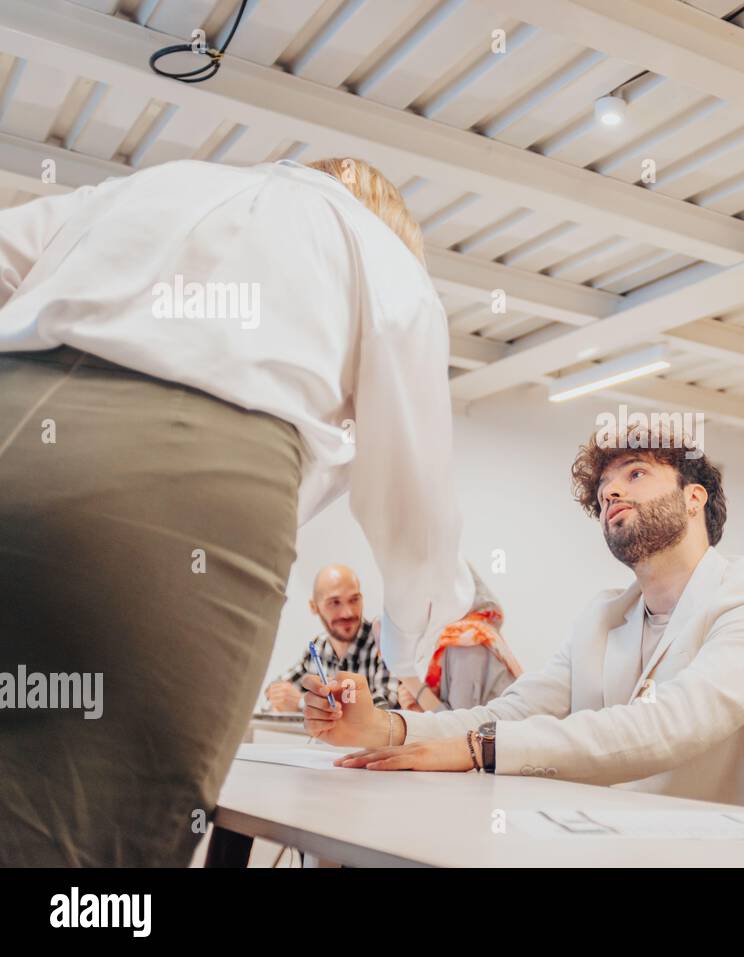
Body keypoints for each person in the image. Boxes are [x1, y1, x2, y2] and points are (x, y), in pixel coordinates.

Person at [0, 157, 472, 865]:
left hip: (15, 400)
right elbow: (414, 510)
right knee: (95, 848)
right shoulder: (379, 254)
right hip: (174, 495)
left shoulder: (146, 183)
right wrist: (410, 661)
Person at [303, 425, 744, 812]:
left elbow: (671, 727)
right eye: (603, 492)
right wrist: (385, 726)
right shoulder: (602, 618)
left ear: (693, 498)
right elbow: (510, 714)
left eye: (635, 473)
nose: (611, 493)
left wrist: (479, 750)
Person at [265, 565, 401, 711]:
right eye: (335, 602)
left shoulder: (382, 641)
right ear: (314, 607)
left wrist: (303, 703)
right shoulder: (318, 647)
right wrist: (280, 695)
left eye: (354, 600)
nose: (347, 613)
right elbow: (276, 690)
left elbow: (385, 706)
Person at [395, 563, 520, 713]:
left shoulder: (467, 641)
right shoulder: (456, 637)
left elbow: (459, 725)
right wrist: (418, 704)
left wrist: (414, 685)